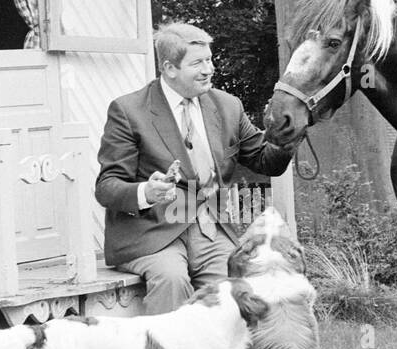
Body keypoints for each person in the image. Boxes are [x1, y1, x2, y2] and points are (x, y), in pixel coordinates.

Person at [95, 23, 294, 313]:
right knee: (172, 280)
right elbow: (107, 186)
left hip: (210, 229)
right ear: (169, 68)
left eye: (209, 60)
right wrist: (146, 192)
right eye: (197, 63)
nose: (208, 69)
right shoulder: (128, 111)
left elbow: (265, 161)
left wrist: (287, 133)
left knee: (235, 289)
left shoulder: (228, 106)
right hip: (151, 233)